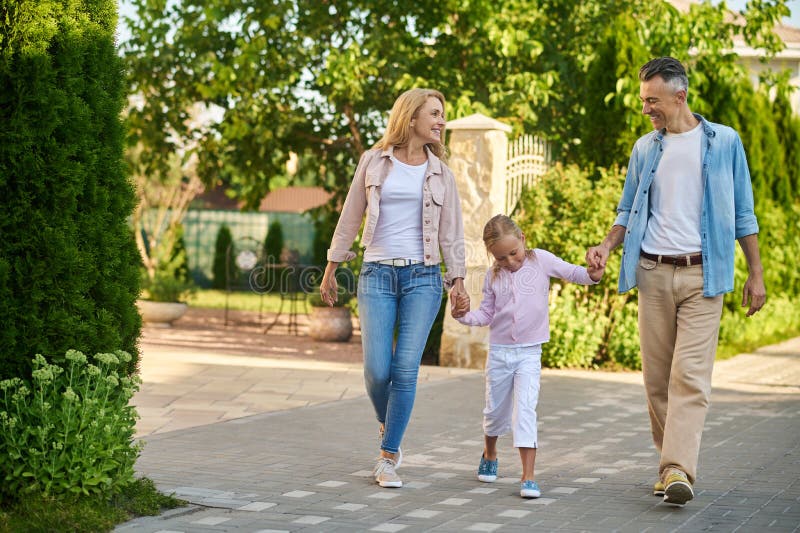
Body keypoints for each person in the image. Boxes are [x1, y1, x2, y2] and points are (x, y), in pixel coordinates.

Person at [586, 57, 766, 506]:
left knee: (689, 377)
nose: (646, 108)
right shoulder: (646, 148)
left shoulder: (724, 142)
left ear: (680, 96)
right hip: (652, 271)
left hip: (705, 275)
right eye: (643, 100)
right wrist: (606, 248)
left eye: (653, 100)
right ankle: (670, 467)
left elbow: (744, 212)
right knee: (656, 380)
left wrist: (756, 274)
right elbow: (627, 209)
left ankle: (678, 469)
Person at [319, 88, 468, 489]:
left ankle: (388, 456)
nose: (440, 121)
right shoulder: (373, 161)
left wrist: (458, 280)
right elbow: (351, 214)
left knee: (404, 370)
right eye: (435, 113)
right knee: (376, 370)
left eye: (442, 114)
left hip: (423, 277)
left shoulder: (442, 173)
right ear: (411, 117)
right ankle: (390, 421)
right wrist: (332, 266)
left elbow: (453, 231)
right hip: (377, 274)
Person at [452, 214, 604, 498]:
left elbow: (574, 273)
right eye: (501, 258)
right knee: (495, 410)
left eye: (513, 253)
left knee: (524, 410)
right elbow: (486, 313)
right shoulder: (492, 276)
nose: (510, 262)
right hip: (499, 353)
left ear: (523, 240)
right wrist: (462, 316)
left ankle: (528, 476)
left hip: (529, 354)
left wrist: (593, 274)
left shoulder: (541, 261)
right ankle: (490, 453)